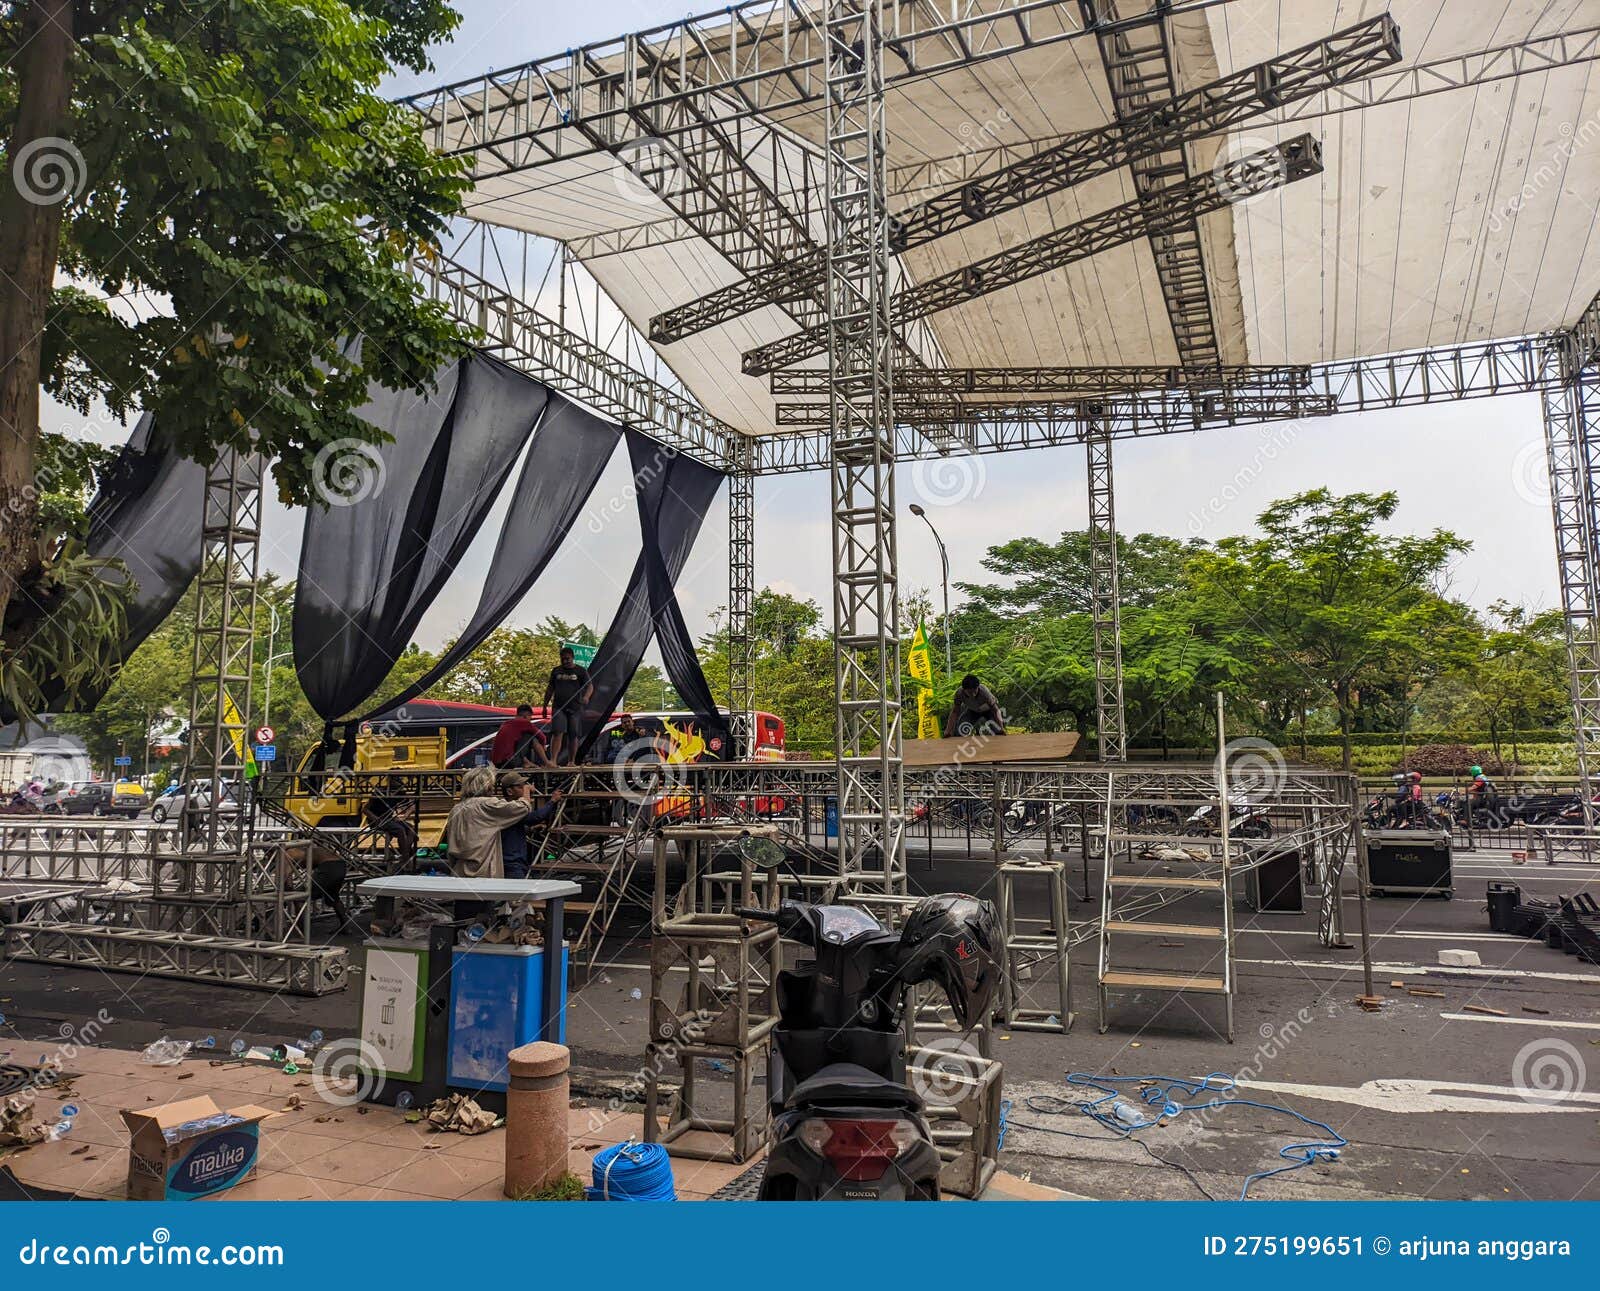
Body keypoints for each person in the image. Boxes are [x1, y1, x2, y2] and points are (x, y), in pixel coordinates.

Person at [445, 766, 535, 880]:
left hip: (459, 872)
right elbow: (522, 808)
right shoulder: (486, 805)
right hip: (484, 872)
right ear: (487, 786)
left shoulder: (456, 810)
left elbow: (450, 848)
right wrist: (526, 791)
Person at [494, 771, 564, 880]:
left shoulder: (508, 808)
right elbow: (536, 817)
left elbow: (515, 826)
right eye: (520, 787)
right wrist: (552, 801)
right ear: (509, 791)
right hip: (511, 863)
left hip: (514, 861)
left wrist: (529, 829)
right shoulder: (509, 808)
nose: (524, 788)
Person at [543, 647, 593, 766]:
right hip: (559, 706)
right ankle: (553, 760)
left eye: (567, 659)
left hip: (575, 707)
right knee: (558, 732)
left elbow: (590, 686)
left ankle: (571, 761)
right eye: (563, 659)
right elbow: (550, 688)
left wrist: (586, 697)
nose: (565, 661)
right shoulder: (556, 671)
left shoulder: (580, 671)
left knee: (573, 734)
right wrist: (545, 705)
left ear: (572, 657)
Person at [945, 674, 1005, 738]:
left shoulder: (984, 692)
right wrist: (948, 731)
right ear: (964, 689)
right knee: (960, 730)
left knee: (998, 730)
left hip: (989, 710)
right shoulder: (959, 694)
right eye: (970, 692)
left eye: (975, 691)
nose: (973, 695)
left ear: (978, 687)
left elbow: (995, 710)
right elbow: (955, 712)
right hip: (973, 710)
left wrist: (1001, 728)